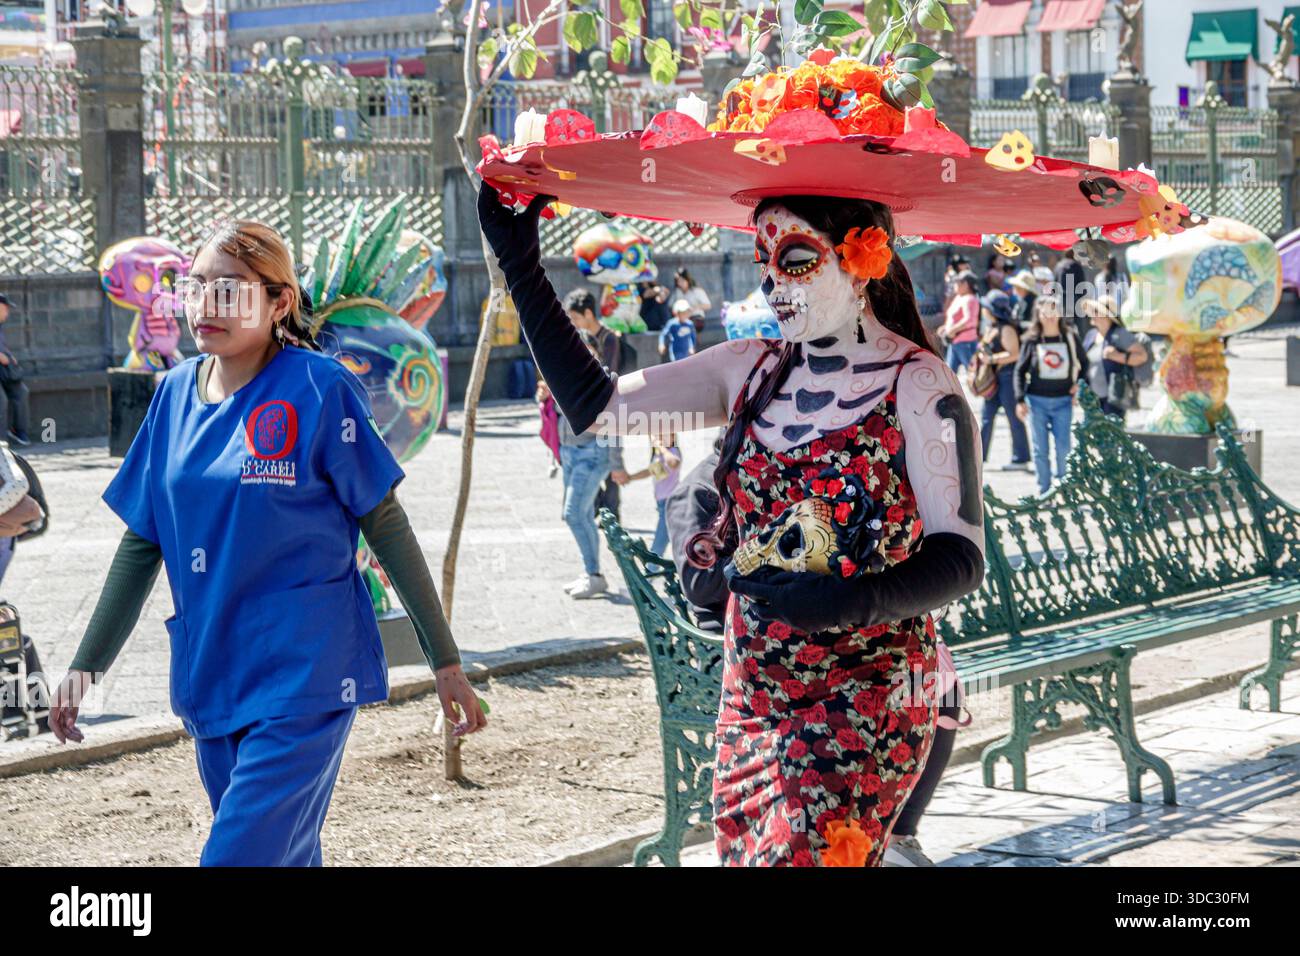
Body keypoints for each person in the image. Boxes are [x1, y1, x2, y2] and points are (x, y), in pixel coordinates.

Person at [480, 184, 986, 867]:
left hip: (867, 697)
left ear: (860, 258)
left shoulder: (919, 384)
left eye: (798, 259)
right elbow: (598, 410)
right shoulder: (747, 370)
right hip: (751, 699)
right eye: (764, 260)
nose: (775, 281)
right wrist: (521, 267)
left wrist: (848, 601)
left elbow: (961, 557)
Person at [48, 219, 485, 866]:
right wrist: (86, 668)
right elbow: (143, 544)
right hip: (211, 674)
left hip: (306, 677)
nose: (203, 305)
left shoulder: (320, 386)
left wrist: (444, 661)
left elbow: (385, 524)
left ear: (280, 302)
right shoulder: (171, 395)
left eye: (228, 290)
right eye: (194, 287)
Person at [562, 289, 630, 524]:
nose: (572, 322)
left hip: (608, 411)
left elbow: (610, 375)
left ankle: (612, 517)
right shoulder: (577, 340)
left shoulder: (609, 339)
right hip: (589, 416)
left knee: (611, 468)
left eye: (575, 317)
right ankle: (598, 509)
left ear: (588, 313)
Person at [1014, 294, 1087, 495]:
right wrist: (1020, 399)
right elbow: (1020, 370)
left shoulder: (1070, 336)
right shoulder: (1031, 340)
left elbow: (1085, 363)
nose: (1050, 315)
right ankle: (1044, 491)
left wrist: (1078, 386)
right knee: (1040, 450)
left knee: (1064, 448)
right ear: (1038, 314)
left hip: (1063, 400)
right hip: (1036, 401)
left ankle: (1065, 489)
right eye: (1045, 310)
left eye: (1054, 309)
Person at [663, 437, 729, 633]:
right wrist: (765, 555)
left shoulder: (769, 477)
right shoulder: (696, 492)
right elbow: (699, 584)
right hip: (726, 631)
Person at [977, 289, 1031, 471]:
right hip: (995, 379)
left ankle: (1021, 457)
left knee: (1013, 418)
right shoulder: (991, 327)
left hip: (1007, 377)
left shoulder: (1006, 328)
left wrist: (991, 359)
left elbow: (1014, 354)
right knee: (986, 417)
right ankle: (979, 457)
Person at [1081, 295, 1150, 421]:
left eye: (1097, 311)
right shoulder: (1091, 335)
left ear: (1108, 316)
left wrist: (1117, 356)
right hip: (1091, 400)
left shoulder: (1120, 334)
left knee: (1111, 437)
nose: (1092, 315)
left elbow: (1142, 356)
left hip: (1114, 399)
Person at [626, 432, 682, 556]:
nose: (661, 438)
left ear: (673, 438)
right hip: (663, 503)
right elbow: (650, 471)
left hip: (670, 503)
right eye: (658, 435)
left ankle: (651, 570)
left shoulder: (672, 451)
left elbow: (674, 463)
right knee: (675, 540)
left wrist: (660, 447)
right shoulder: (658, 455)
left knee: (659, 543)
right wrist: (629, 478)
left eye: (667, 434)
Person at [0, 292, 32, 446]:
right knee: (1, 400)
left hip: (4, 371)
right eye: (6, 308)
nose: (8, 312)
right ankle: (2, 439)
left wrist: (9, 356)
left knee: (21, 391)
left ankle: (19, 432)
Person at [938, 271, 980, 374]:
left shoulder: (970, 299)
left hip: (966, 342)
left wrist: (952, 330)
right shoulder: (959, 297)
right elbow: (956, 317)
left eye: (957, 282)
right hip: (955, 342)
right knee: (950, 374)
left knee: (973, 374)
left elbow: (970, 320)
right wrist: (946, 327)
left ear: (965, 284)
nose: (955, 285)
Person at [1053, 248, 1090, 333]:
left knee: (1062, 325)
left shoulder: (1058, 266)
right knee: (1078, 325)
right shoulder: (1076, 266)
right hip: (1074, 299)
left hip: (1060, 300)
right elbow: (1082, 286)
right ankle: (1079, 342)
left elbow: (1054, 285)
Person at [672, 267, 711, 334]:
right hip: (681, 318)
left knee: (690, 326)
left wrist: (693, 308)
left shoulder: (697, 291)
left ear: (687, 280)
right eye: (678, 281)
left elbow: (708, 305)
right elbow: (671, 305)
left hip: (695, 318)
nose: (680, 283)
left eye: (682, 280)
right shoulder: (677, 292)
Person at [1007, 269, 1038, 333]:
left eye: (1017, 287)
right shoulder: (1024, 299)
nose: (1015, 288)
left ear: (1023, 288)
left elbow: (1030, 322)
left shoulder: (1030, 301)